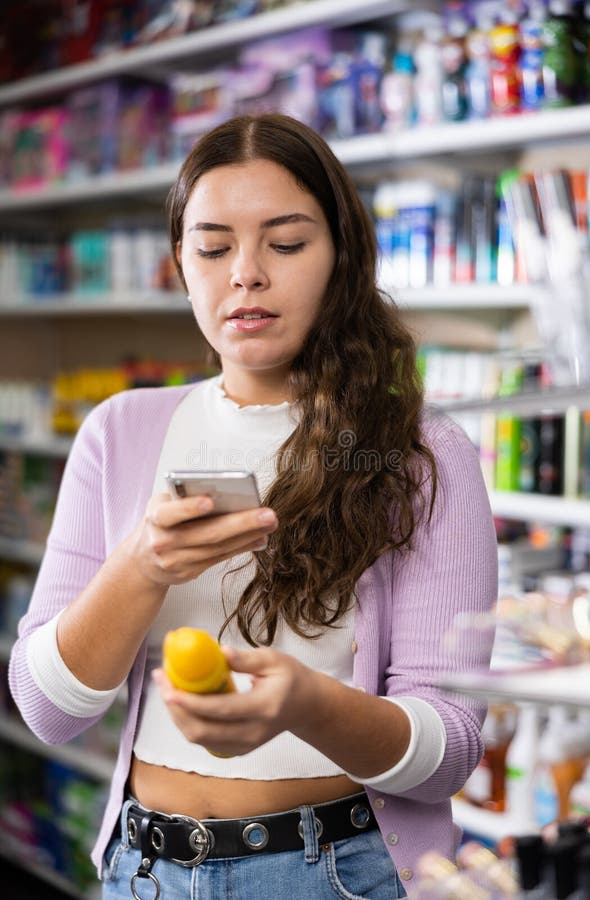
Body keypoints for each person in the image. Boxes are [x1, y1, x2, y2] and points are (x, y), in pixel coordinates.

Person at [8, 113, 498, 900]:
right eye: (212, 247)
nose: (246, 273)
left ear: (341, 256)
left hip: (337, 873)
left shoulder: (420, 452)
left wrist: (305, 704)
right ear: (181, 264)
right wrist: (141, 567)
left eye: (288, 242)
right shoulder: (123, 431)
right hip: (144, 872)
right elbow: (47, 710)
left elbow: (451, 751)